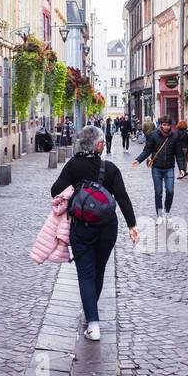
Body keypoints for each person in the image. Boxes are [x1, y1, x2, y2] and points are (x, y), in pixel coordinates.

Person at [49, 124, 139, 341]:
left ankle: (93, 322)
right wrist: (132, 225)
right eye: (103, 143)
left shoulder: (73, 166)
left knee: (86, 274)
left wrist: (76, 189)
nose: (104, 145)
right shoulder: (110, 169)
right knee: (98, 271)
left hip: (81, 227)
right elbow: (122, 197)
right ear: (98, 145)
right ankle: (92, 313)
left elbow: (55, 190)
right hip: (108, 228)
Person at [132, 115, 181, 223]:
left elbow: (179, 153)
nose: (166, 127)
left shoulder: (174, 136)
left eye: (168, 125)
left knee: (170, 190)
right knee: (158, 192)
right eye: (164, 125)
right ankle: (159, 215)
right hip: (157, 168)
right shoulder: (153, 135)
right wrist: (138, 160)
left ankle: (167, 211)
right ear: (160, 125)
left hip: (169, 167)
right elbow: (147, 150)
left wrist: (182, 168)